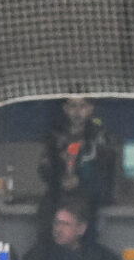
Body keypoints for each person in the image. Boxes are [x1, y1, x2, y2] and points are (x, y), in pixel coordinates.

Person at [36, 96, 117, 231]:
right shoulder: (55, 135)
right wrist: (60, 178)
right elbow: (44, 169)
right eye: (73, 106)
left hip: (88, 198)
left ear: (90, 109)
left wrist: (81, 182)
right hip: (58, 196)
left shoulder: (100, 136)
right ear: (66, 109)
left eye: (82, 106)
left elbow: (106, 172)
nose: (78, 112)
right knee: (47, 211)